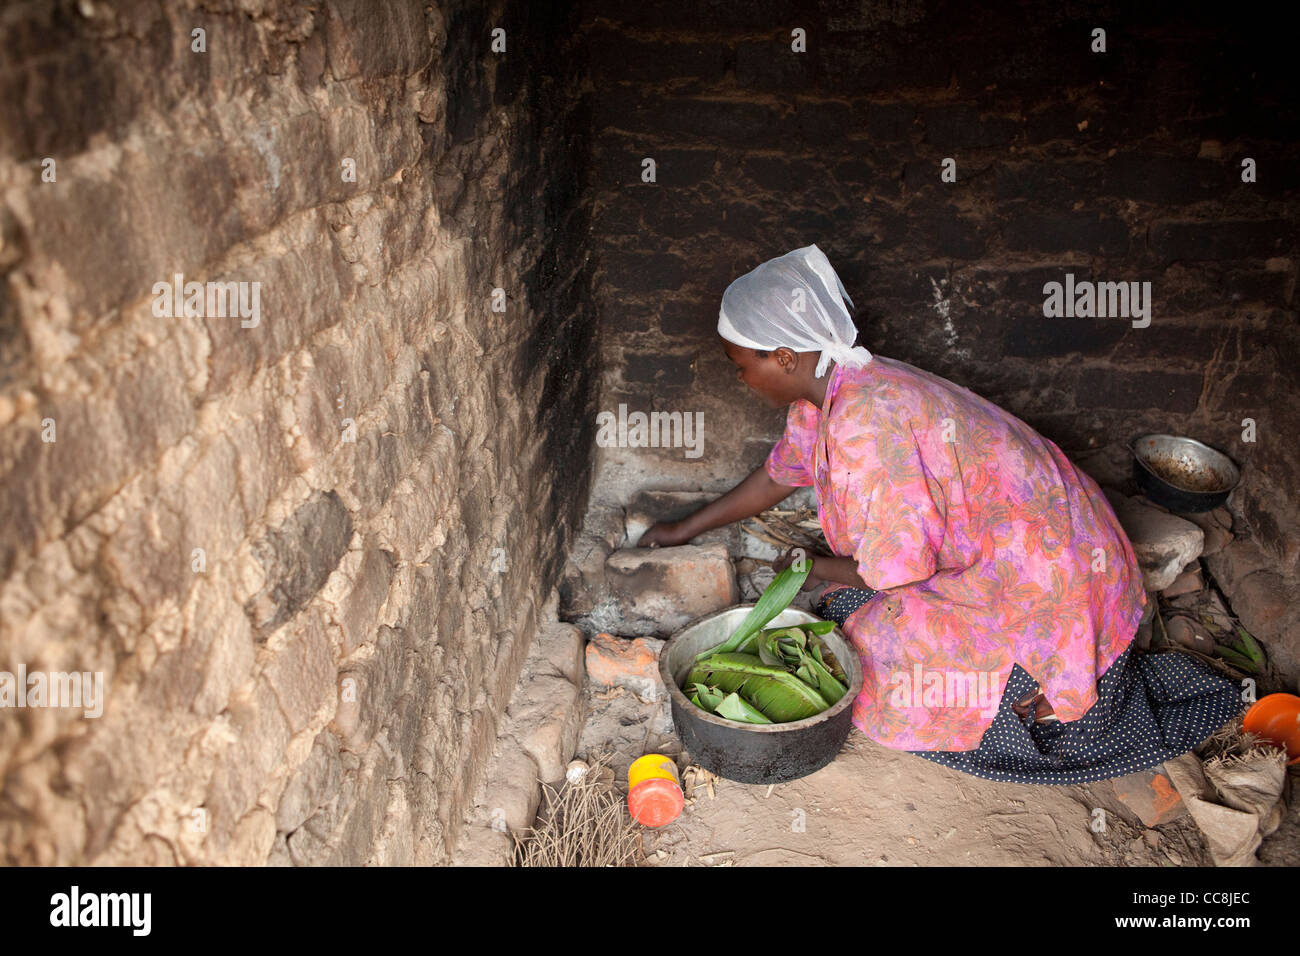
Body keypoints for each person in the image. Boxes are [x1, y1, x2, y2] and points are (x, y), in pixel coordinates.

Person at [637, 243, 1243, 784]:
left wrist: (817, 566)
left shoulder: (866, 425)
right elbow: (777, 475)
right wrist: (684, 528)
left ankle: (1037, 689)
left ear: (786, 355)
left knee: (876, 685)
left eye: (742, 364)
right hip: (1016, 556)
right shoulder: (835, 389)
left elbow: (893, 572)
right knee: (842, 623)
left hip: (1053, 584)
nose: (740, 378)